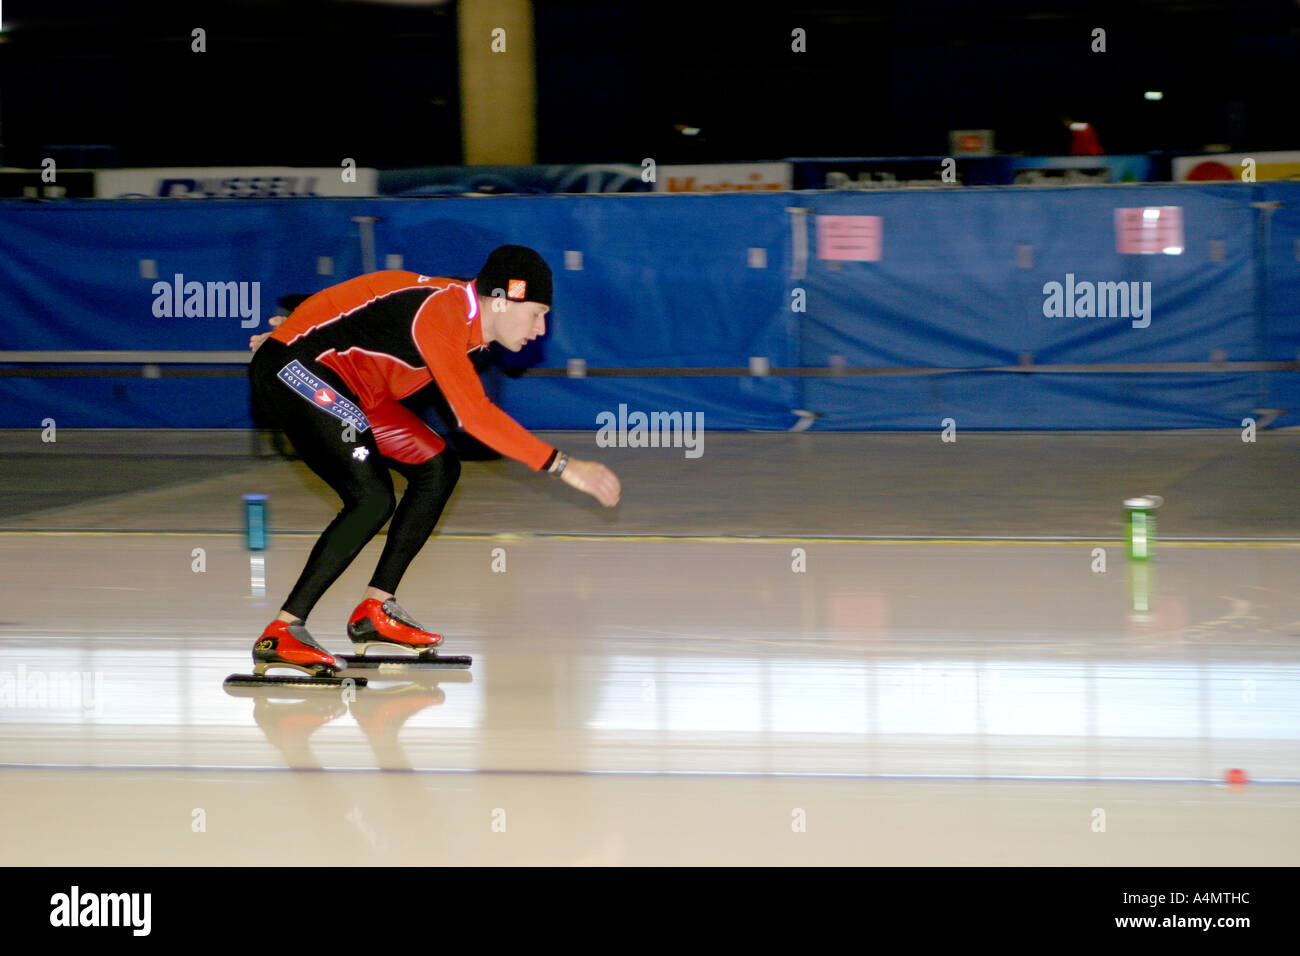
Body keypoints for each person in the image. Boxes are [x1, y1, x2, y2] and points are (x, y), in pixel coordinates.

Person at [246, 245, 621, 678]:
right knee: (371, 499)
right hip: (300, 372)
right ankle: (283, 631)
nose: (541, 330)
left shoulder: (456, 317)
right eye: (536, 314)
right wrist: (563, 466)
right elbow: (473, 414)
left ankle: (375, 610)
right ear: (500, 301)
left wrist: (293, 325)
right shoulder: (443, 311)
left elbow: (360, 298)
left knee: (439, 466)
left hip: (352, 389)